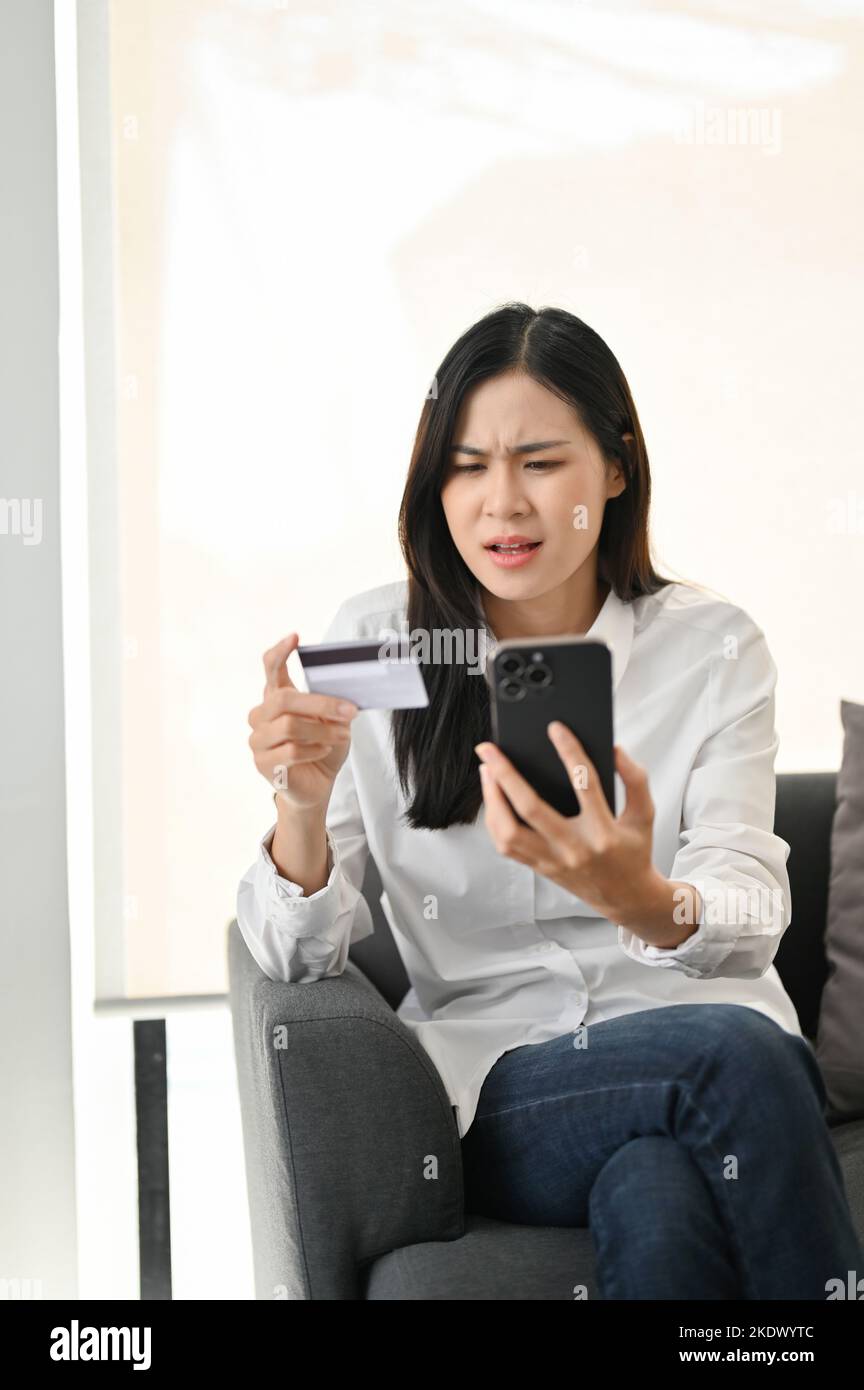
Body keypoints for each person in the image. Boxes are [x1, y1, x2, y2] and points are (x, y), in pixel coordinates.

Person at [238, 302, 863, 1299]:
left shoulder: (711, 646)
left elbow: (750, 897)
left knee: (657, 1199)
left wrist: (645, 901)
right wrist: (302, 808)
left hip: (707, 1050)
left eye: (539, 461)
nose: (502, 503)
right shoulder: (384, 648)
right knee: (732, 1059)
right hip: (517, 1088)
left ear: (615, 468)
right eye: (468, 465)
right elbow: (295, 956)